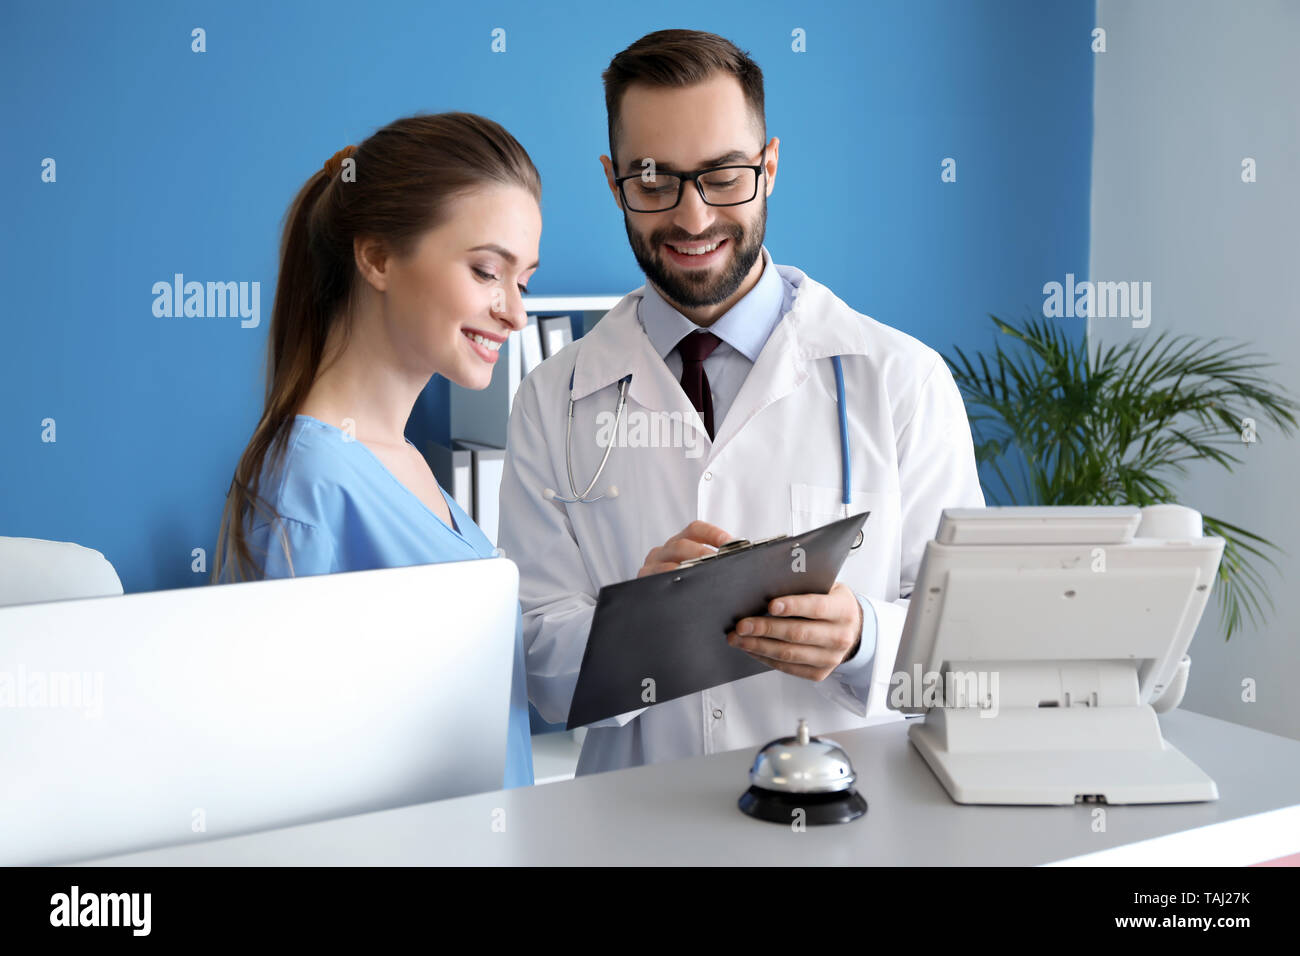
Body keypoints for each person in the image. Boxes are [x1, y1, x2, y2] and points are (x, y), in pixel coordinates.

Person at [497, 30, 985, 775]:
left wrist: (863, 639)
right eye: (655, 182)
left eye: (724, 177)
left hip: (845, 827)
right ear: (612, 179)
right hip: (632, 833)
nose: (693, 220)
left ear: (771, 165)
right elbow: (534, 662)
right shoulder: (550, 400)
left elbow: (971, 645)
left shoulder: (903, 382)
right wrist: (638, 625)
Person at [213, 112, 541, 789]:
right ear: (378, 257)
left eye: (525, 281)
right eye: (487, 271)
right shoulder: (309, 484)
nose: (515, 312)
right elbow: (280, 775)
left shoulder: (406, 463)